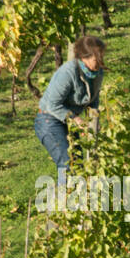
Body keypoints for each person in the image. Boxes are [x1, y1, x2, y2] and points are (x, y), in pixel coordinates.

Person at [36, 36, 106, 184]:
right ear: (84, 57)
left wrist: (94, 121)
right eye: (96, 58)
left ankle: (79, 203)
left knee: (78, 164)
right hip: (49, 120)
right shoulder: (68, 72)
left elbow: (94, 99)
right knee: (68, 164)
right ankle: (65, 203)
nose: (100, 61)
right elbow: (52, 105)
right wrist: (76, 119)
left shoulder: (97, 73)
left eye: (102, 56)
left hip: (69, 121)